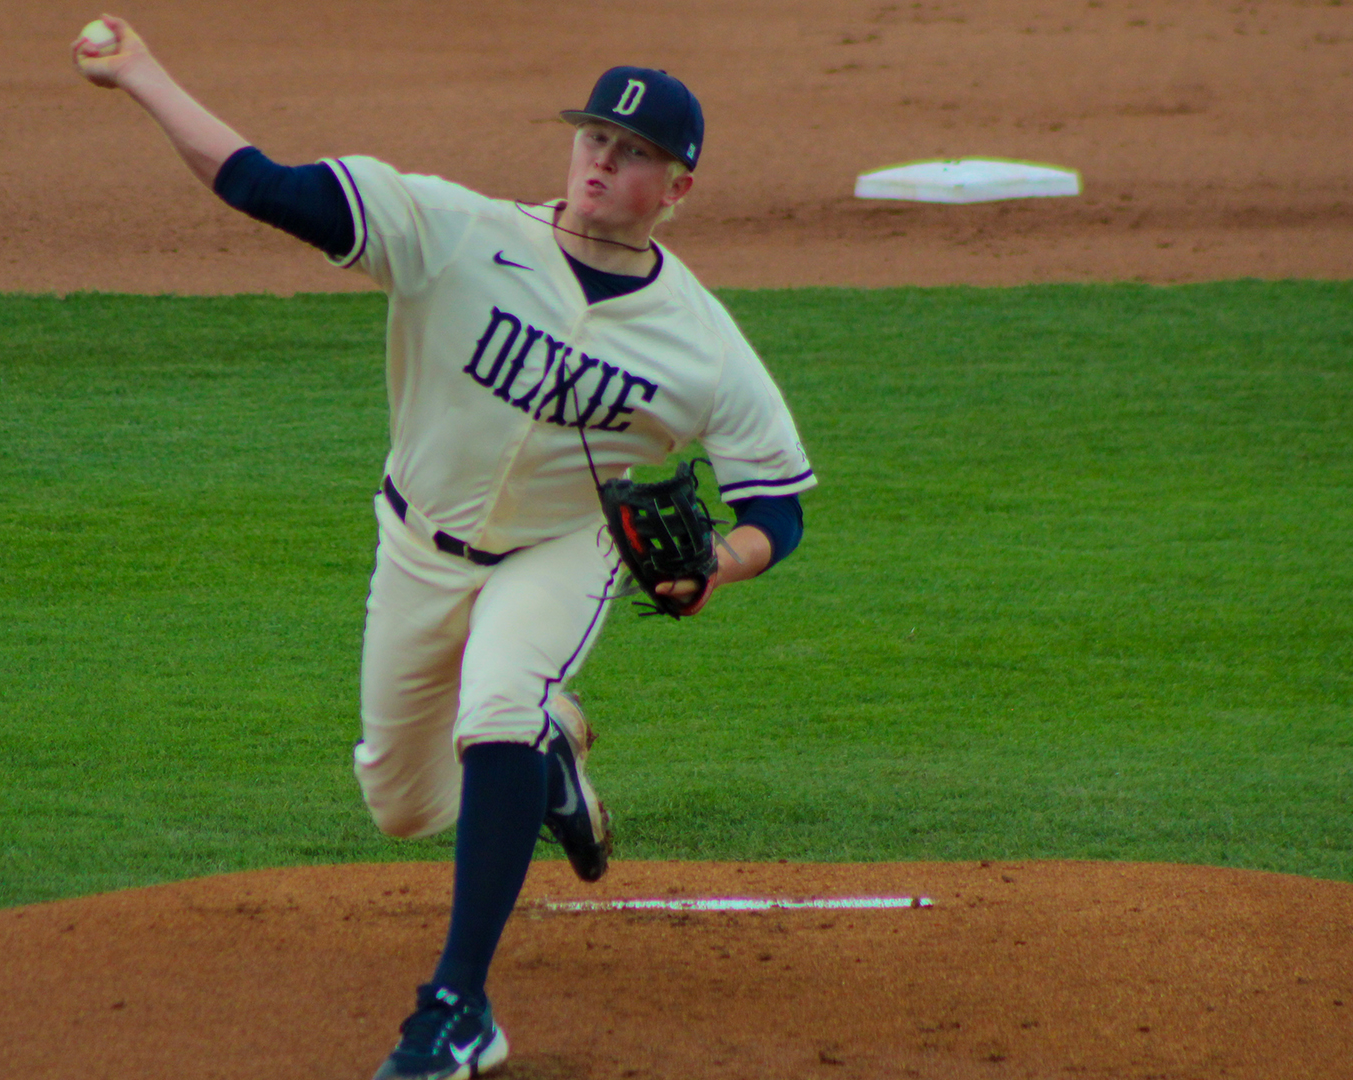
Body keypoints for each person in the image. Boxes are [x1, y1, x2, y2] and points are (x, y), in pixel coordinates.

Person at [73, 18, 815, 1079]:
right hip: (418, 545)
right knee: (402, 803)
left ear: (678, 187)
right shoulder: (456, 231)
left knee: (498, 704)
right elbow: (264, 185)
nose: (605, 159)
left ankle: (458, 1006)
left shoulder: (701, 342)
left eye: (636, 150)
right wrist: (143, 75)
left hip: (561, 551)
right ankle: (549, 763)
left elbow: (776, 504)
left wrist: (722, 566)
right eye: (596, 137)